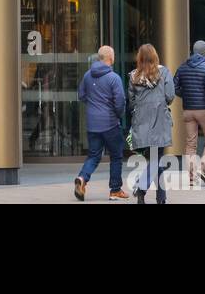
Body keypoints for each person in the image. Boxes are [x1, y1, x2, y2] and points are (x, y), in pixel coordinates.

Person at [73, 46, 129, 201]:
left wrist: (92, 105)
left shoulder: (87, 75)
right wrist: (118, 114)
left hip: (92, 124)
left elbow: (81, 95)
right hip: (110, 123)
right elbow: (120, 102)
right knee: (116, 156)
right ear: (110, 58)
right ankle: (115, 190)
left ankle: (82, 178)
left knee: (93, 155)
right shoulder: (113, 78)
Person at [128, 44, 176, 204]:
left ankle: (160, 198)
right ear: (155, 56)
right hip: (159, 121)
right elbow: (170, 96)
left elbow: (131, 102)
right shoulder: (164, 73)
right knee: (156, 160)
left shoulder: (133, 76)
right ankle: (141, 187)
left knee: (155, 160)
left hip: (141, 122)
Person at [174, 40, 205, 185]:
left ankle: (192, 178)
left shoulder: (183, 67)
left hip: (188, 110)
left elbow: (175, 87)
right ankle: (203, 169)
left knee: (190, 143)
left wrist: (186, 95)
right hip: (204, 108)